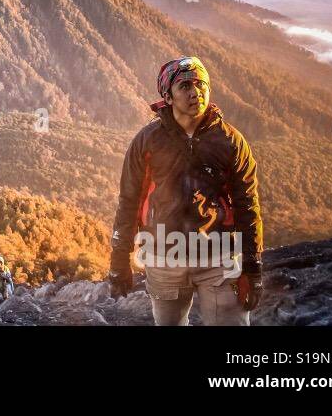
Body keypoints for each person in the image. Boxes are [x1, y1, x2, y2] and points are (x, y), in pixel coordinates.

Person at [108, 56, 264, 326]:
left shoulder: (230, 141)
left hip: (219, 259)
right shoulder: (147, 141)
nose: (196, 92)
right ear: (168, 97)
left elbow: (247, 205)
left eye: (202, 84)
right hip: (164, 258)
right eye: (185, 86)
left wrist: (252, 266)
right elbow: (129, 200)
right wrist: (120, 259)